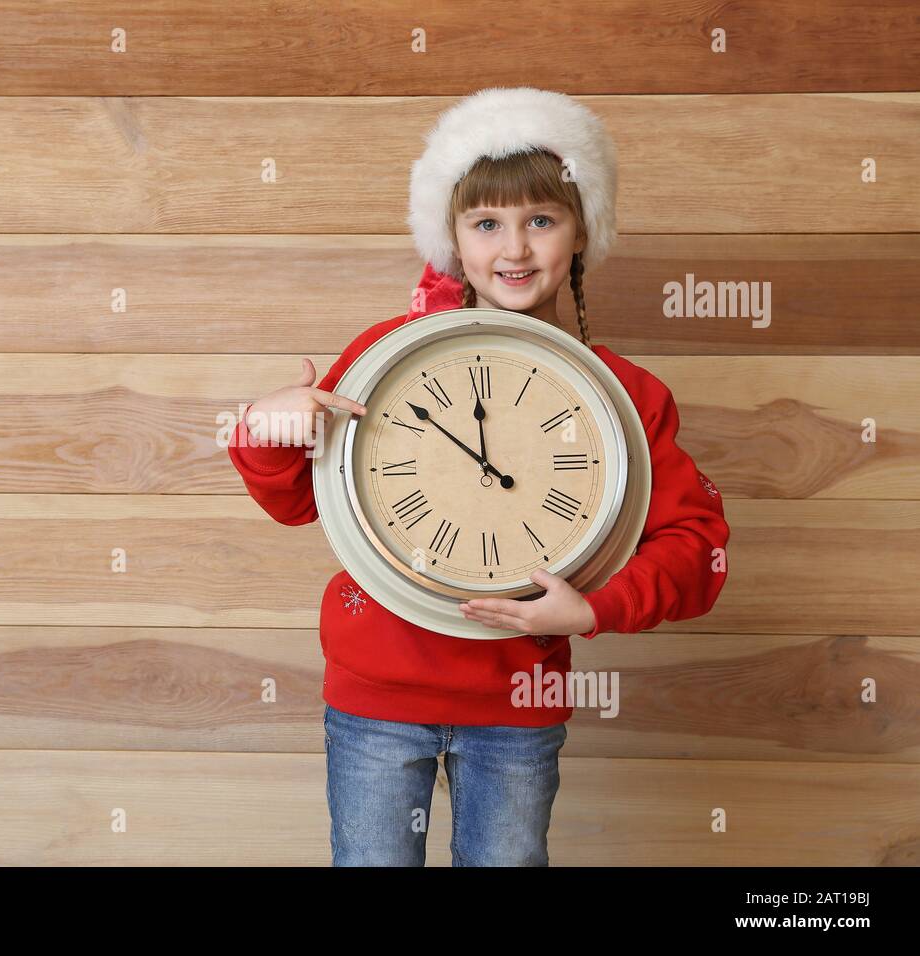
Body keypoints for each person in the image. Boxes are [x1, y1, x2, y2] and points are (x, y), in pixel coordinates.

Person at [227, 87, 730, 866]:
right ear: (454, 241)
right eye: (487, 223)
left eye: (541, 219)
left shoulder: (624, 398)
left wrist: (594, 609)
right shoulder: (386, 360)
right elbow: (299, 501)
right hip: (376, 701)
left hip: (518, 708)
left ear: (580, 234)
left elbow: (698, 551)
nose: (515, 249)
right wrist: (270, 429)